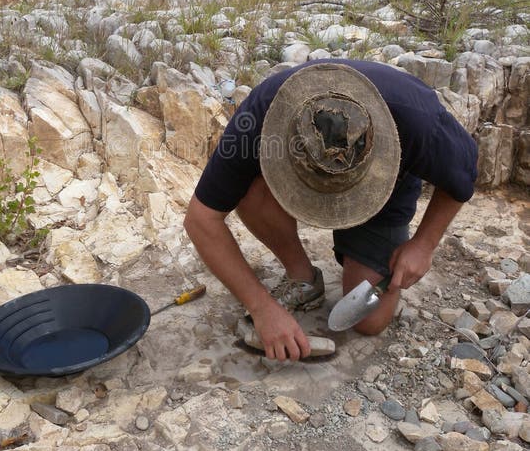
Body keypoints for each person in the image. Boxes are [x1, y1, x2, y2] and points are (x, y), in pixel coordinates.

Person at [184, 60, 478, 362]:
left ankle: (363, 231)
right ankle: (303, 277)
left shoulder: (418, 121)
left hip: (382, 190)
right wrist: (261, 307)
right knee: (247, 187)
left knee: (370, 321)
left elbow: (465, 172)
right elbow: (200, 219)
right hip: (282, 160)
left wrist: (424, 244)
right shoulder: (260, 117)